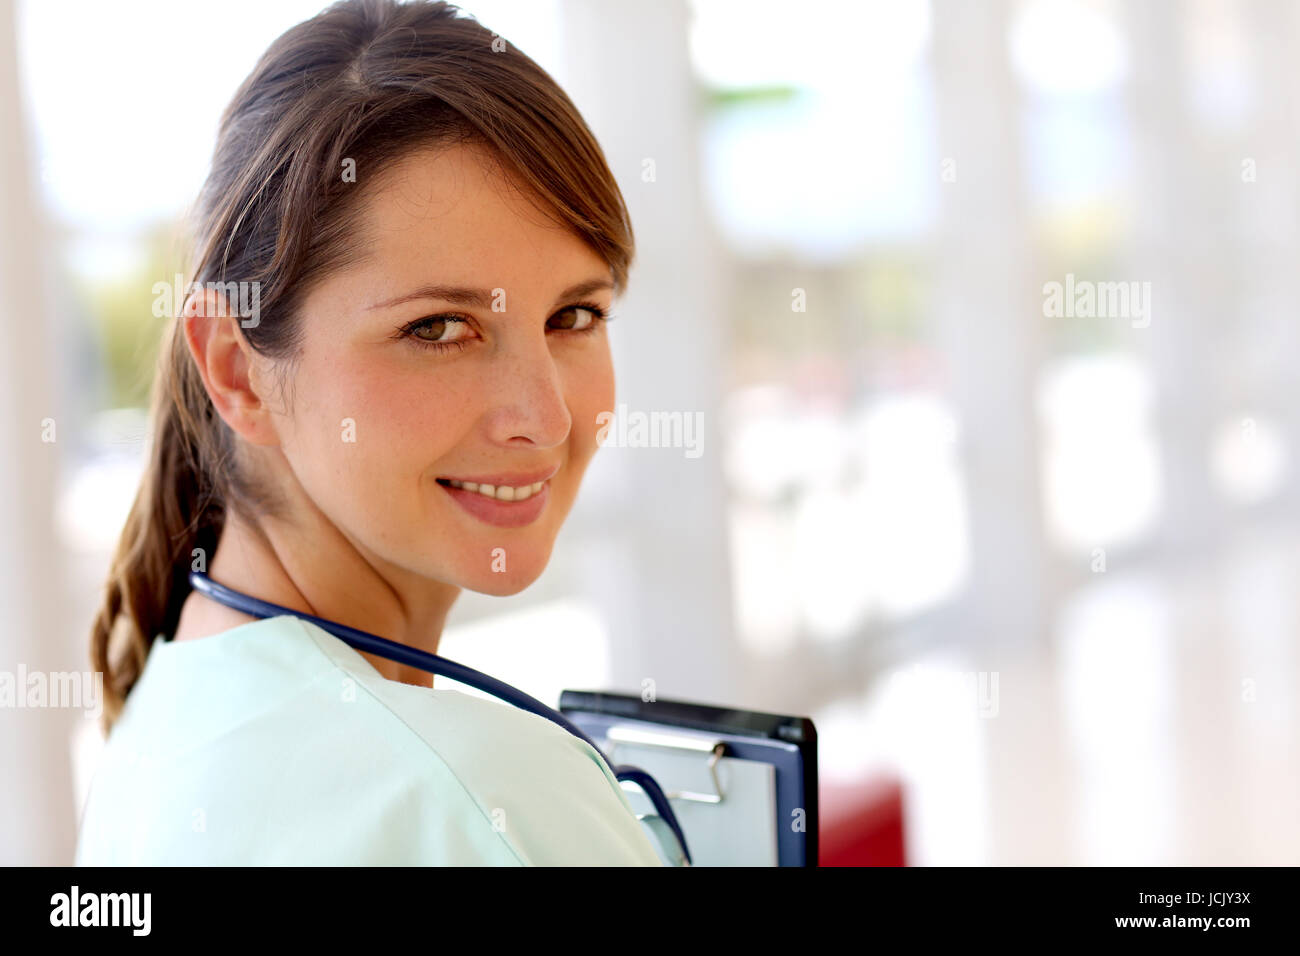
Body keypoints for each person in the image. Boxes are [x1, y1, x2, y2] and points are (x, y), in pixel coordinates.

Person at [76, 0, 664, 866]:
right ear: (238, 371)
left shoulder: (166, 712)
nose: (544, 418)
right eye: (438, 328)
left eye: (574, 314)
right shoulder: (482, 798)